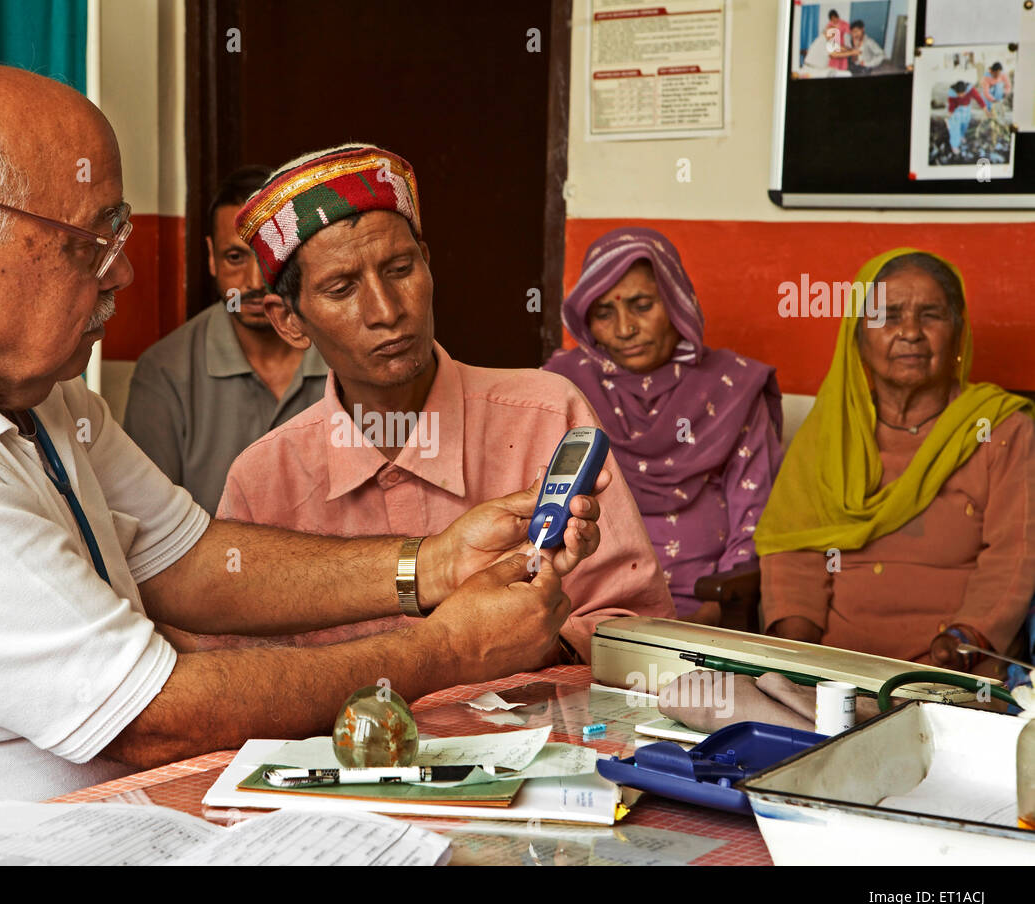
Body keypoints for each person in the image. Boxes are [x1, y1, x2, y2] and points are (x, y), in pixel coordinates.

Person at [0, 64, 608, 838]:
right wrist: (449, 650)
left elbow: (189, 558)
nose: (122, 274)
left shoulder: (20, 380)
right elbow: (153, 713)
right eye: (92, 242)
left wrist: (430, 565)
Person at [204, 144, 674, 658]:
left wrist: (541, 643)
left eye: (400, 269)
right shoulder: (263, 479)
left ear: (428, 264)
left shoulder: (548, 414)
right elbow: (236, 666)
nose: (385, 311)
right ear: (288, 320)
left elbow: (640, 628)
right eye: (341, 288)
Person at [756, 249, 1035, 666]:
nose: (910, 332)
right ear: (859, 337)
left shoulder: (1002, 429)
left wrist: (966, 638)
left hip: (955, 663)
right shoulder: (832, 430)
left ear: (958, 333)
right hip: (835, 664)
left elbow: (1015, 556)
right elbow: (795, 553)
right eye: (888, 316)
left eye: (930, 315)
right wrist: (796, 662)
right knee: (705, 702)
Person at [543, 228, 782, 624]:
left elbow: (755, 517)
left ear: (676, 302)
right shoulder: (563, 387)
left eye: (641, 305)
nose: (624, 329)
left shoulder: (732, 389)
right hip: (583, 607)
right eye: (604, 313)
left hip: (704, 606)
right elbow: (542, 510)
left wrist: (718, 609)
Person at [123, 165, 329, 514]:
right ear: (210, 257)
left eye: (269, 256)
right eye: (235, 257)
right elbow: (149, 529)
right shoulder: (165, 372)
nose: (254, 281)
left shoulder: (342, 352)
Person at [946, 80, 989, 157]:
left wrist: (985, 110)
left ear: (965, 90)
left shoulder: (970, 90)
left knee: (965, 124)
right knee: (955, 127)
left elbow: (978, 98)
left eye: (963, 93)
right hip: (957, 110)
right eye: (959, 94)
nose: (961, 96)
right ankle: (954, 145)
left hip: (967, 109)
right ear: (956, 91)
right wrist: (950, 116)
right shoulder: (952, 93)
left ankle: (961, 136)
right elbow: (951, 105)